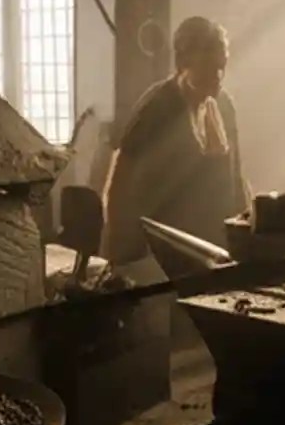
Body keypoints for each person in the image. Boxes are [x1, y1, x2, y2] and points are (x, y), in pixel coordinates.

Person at [101, 16, 251, 277]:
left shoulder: (224, 106)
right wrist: (121, 257)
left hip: (214, 249)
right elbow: (119, 185)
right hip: (162, 254)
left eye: (221, 67)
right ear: (183, 63)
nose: (217, 77)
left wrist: (249, 230)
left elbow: (235, 177)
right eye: (207, 67)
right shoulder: (157, 108)